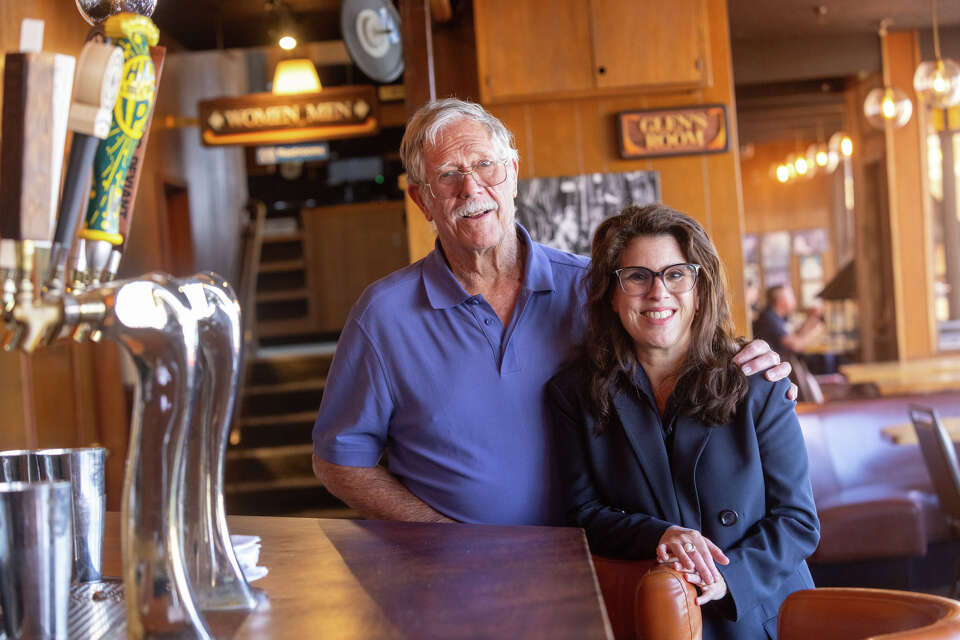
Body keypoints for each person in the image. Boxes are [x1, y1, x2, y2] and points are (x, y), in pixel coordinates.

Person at [312, 98, 792, 526]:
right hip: (456, 582)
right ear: (421, 199)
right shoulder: (383, 315)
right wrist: (440, 537)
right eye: (447, 176)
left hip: (601, 556)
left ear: (514, 173)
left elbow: (674, 348)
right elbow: (339, 461)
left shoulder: (592, 286)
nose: (471, 188)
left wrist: (746, 358)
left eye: (485, 165)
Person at [547, 205, 819, 638]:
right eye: (637, 276)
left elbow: (798, 521)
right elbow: (583, 515)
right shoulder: (574, 394)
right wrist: (660, 534)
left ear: (699, 288)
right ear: (612, 295)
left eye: (676, 274)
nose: (658, 293)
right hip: (650, 616)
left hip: (761, 616)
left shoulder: (759, 380)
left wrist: (727, 579)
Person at [754, 284, 823, 359]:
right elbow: (795, 345)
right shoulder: (770, 318)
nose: (794, 299)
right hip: (775, 365)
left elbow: (795, 335)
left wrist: (811, 319)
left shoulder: (778, 315)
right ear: (781, 300)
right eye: (791, 296)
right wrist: (816, 332)